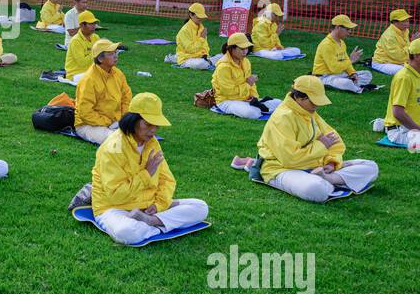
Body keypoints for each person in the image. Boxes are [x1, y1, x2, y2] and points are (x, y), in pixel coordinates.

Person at [90, 93, 210, 245]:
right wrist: (146, 174)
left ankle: (152, 222)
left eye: (156, 125)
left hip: (148, 208)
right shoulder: (113, 149)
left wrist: (158, 205)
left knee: (200, 207)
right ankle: (161, 224)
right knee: (127, 232)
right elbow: (116, 196)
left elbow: (167, 180)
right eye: (148, 124)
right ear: (133, 120)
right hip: (115, 208)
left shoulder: (152, 143)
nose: (153, 130)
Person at [243, 75, 379, 202]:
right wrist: (321, 146)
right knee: (316, 189)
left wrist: (331, 163)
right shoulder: (283, 118)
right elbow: (289, 159)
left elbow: (335, 143)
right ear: (299, 98)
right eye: (314, 101)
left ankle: (329, 179)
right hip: (282, 169)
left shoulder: (310, 113)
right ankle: (331, 181)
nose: (317, 105)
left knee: (371, 167)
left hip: (317, 167)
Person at [75, 38, 131, 144]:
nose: (115, 56)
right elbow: (85, 113)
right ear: (100, 59)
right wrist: (107, 122)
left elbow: (126, 97)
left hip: (115, 121)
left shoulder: (118, 73)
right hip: (88, 124)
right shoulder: (89, 80)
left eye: (115, 52)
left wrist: (123, 118)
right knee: (117, 141)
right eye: (110, 53)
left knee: (141, 133)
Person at [212, 32, 282, 119]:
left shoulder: (246, 62)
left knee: (279, 103)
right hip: (227, 100)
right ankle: (259, 108)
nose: (245, 51)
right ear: (231, 49)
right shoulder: (223, 67)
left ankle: (258, 106)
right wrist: (248, 85)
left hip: (245, 98)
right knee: (253, 113)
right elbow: (227, 92)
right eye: (242, 49)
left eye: (247, 48)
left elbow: (252, 84)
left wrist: (254, 98)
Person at [313, 15, 373, 92]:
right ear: (338, 27)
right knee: (346, 83)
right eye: (347, 29)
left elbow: (345, 61)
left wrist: (352, 73)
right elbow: (334, 68)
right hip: (324, 77)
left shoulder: (342, 43)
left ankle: (353, 84)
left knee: (367, 74)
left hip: (338, 74)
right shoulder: (326, 45)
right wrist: (351, 60)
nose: (349, 32)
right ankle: (357, 87)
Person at [171, 2, 217, 68]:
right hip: (187, 59)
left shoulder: (201, 28)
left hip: (200, 57)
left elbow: (205, 46)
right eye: (198, 17)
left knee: (223, 57)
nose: (201, 19)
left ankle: (208, 61)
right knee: (201, 64)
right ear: (191, 15)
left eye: (201, 17)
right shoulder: (184, 30)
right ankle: (174, 58)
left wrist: (205, 55)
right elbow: (190, 49)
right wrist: (202, 38)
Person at [370, 8, 413, 75]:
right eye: (404, 21)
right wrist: (412, 43)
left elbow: (404, 52)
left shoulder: (405, 31)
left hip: (398, 61)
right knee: (410, 71)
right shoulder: (389, 36)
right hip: (383, 63)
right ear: (395, 22)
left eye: (407, 21)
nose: (407, 23)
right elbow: (399, 56)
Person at [64, 9, 101, 82]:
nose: (94, 26)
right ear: (81, 25)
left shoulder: (96, 37)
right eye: (90, 24)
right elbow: (82, 63)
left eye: (94, 23)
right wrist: (97, 52)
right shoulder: (76, 41)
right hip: (75, 74)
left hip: (91, 70)